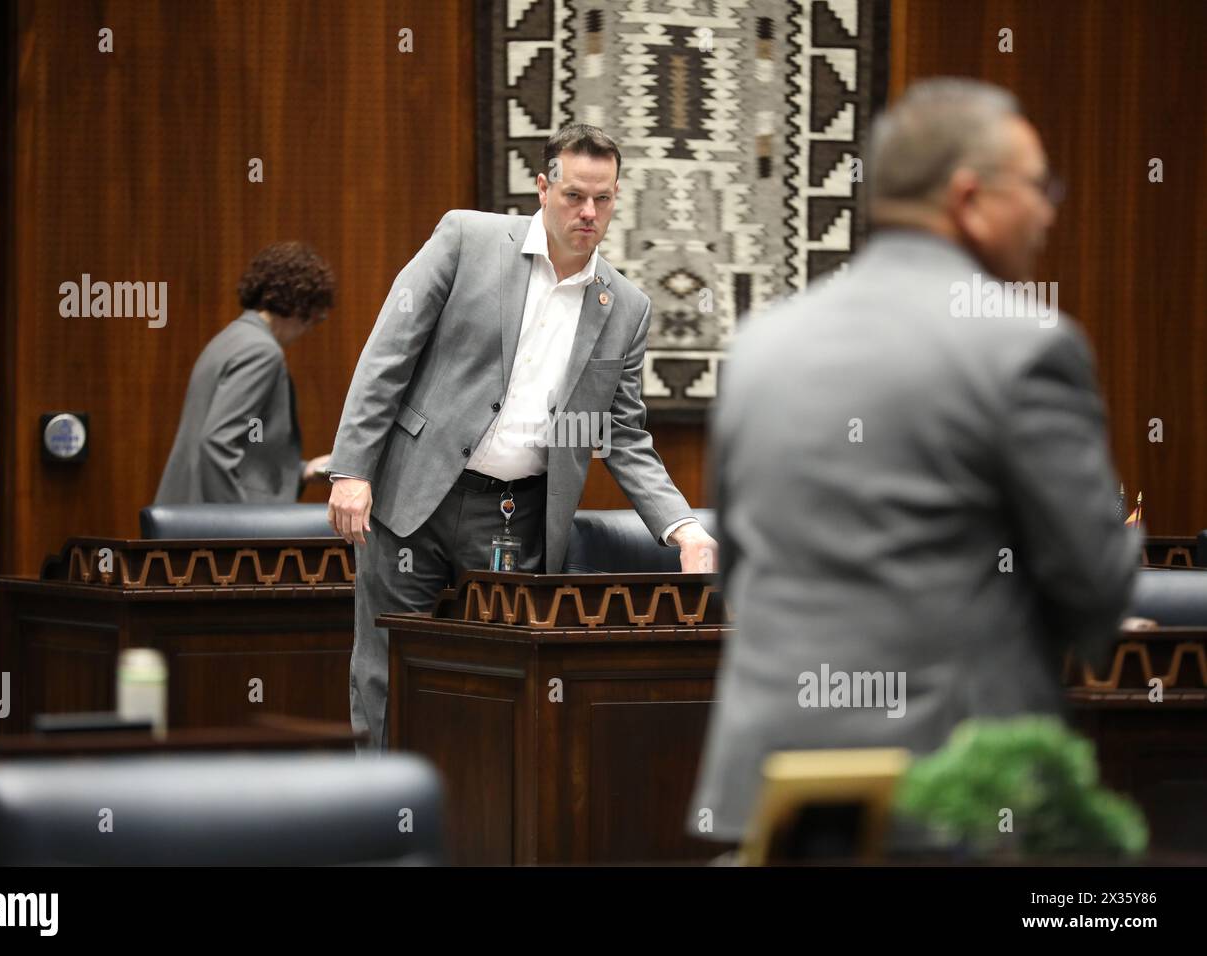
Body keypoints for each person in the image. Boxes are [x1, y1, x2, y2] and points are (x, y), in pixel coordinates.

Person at [689, 78, 1140, 845]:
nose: (1049, 210)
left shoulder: (763, 343)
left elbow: (738, 568)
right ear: (969, 198)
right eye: (1037, 186)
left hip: (770, 793)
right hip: (948, 795)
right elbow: (1095, 586)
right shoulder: (1025, 346)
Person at [326, 124, 719, 747]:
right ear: (543, 187)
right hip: (414, 496)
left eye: (604, 198)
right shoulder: (467, 238)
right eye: (574, 196)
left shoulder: (627, 305)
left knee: (502, 684)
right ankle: (384, 821)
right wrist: (352, 469)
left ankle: (477, 826)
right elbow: (387, 356)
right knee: (384, 673)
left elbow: (619, 433)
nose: (588, 212)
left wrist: (684, 526)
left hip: (514, 519)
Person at [154, 241, 336, 504]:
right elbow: (217, 443)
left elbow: (246, 442)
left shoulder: (229, 339)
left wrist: (301, 471)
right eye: (316, 318)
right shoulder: (262, 351)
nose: (309, 329)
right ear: (300, 305)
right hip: (211, 528)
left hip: (189, 510)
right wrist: (238, 526)